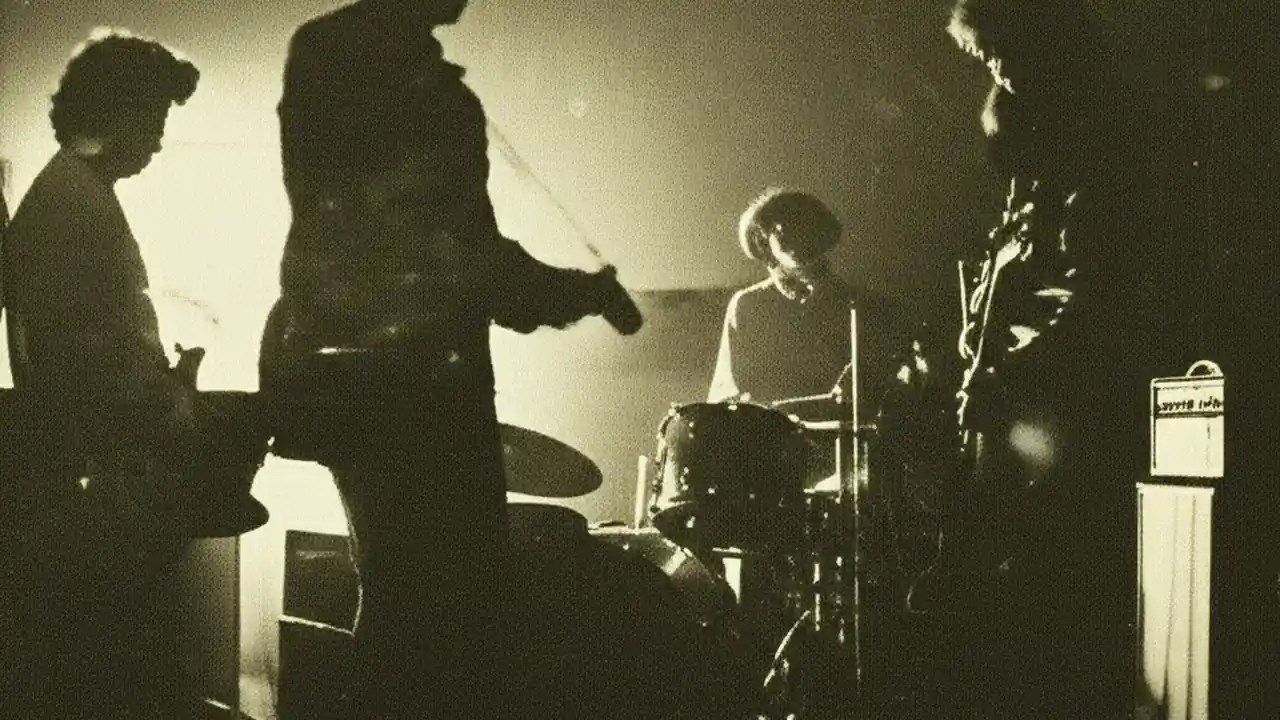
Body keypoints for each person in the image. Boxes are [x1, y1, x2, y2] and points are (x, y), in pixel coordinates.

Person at [259, 2, 655, 718]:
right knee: (440, 612)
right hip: (415, 384)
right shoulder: (406, 82)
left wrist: (561, 292)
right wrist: (573, 293)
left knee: (407, 603)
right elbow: (453, 250)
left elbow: (435, 244)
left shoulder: (340, 56)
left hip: (367, 378)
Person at [916, 1, 1279, 717]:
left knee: (1071, 601)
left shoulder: (1113, 149)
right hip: (1048, 414)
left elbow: (1107, 298)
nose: (996, 68)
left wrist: (1011, 369)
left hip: (1100, 413)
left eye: (1000, 49)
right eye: (983, 58)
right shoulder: (1036, 165)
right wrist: (983, 332)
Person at [0, 29, 258, 719]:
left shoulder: (69, 193)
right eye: (155, 119)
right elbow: (93, 360)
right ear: (117, 113)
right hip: (103, 473)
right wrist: (172, 398)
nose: (160, 140)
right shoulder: (77, 206)